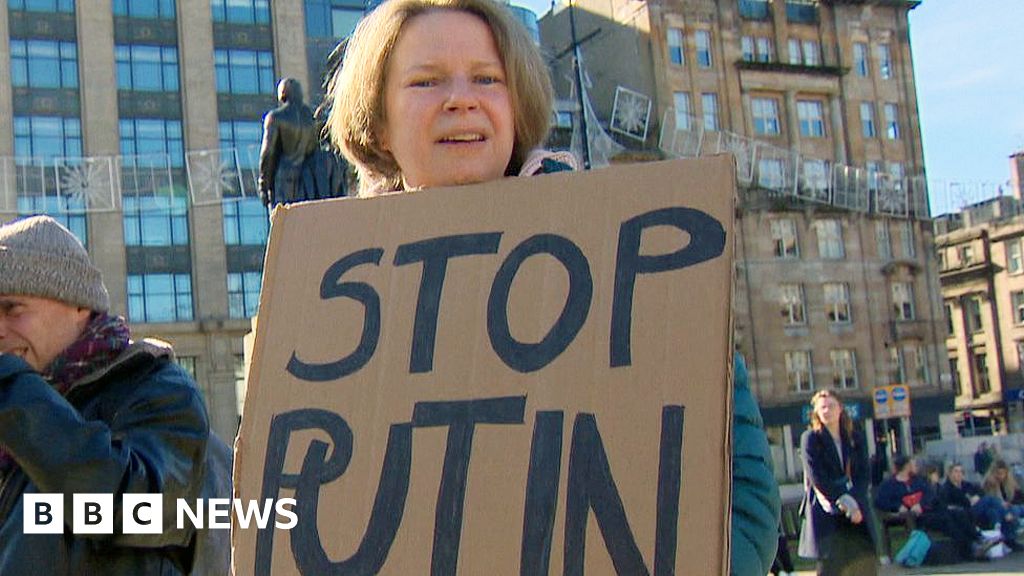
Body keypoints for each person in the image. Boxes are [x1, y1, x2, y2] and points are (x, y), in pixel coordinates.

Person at [323, 0, 780, 573]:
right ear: (378, 123)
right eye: (426, 80)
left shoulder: (637, 254)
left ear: (517, 106)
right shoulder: (331, 303)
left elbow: (745, 503)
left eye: (488, 78)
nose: (461, 98)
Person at [0, 216, 230, 575]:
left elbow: (138, 508)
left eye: (11, 308)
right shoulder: (19, 407)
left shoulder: (154, 386)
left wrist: (9, 389)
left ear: (77, 303)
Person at [797, 390, 876, 575]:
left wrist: (854, 501)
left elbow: (864, 474)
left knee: (863, 564)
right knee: (831, 566)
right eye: (822, 407)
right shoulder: (810, 439)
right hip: (828, 510)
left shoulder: (855, 437)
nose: (827, 411)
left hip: (856, 510)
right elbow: (817, 477)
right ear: (816, 412)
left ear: (840, 409)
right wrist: (844, 500)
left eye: (831, 406)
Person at [875, 455, 991, 561]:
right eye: (914, 464)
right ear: (906, 467)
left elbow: (930, 495)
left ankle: (977, 540)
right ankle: (971, 549)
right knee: (946, 520)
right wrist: (898, 507)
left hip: (927, 510)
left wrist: (920, 504)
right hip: (915, 517)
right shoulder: (889, 485)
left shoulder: (918, 481)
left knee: (958, 514)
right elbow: (880, 501)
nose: (916, 466)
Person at [259, 78, 345, 205]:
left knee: (285, 222)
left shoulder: (275, 118)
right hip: (309, 182)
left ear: (282, 94)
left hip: (285, 179)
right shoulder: (314, 119)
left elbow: (268, 153)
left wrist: (263, 185)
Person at [939, 462, 1020, 550]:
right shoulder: (946, 489)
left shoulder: (966, 485)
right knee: (989, 499)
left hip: (976, 509)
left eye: (961, 472)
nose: (959, 474)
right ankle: (1006, 514)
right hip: (965, 512)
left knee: (992, 511)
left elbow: (981, 491)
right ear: (950, 474)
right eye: (956, 471)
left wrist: (976, 497)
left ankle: (1009, 540)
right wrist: (968, 501)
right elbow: (945, 505)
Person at [982, 459, 1024, 525]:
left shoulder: (1010, 482)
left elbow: (1020, 496)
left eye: (1003, 473)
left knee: (1018, 508)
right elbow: (989, 501)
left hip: (1010, 506)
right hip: (997, 508)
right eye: (998, 473)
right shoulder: (988, 483)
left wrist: (1010, 503)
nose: (1001, 476)